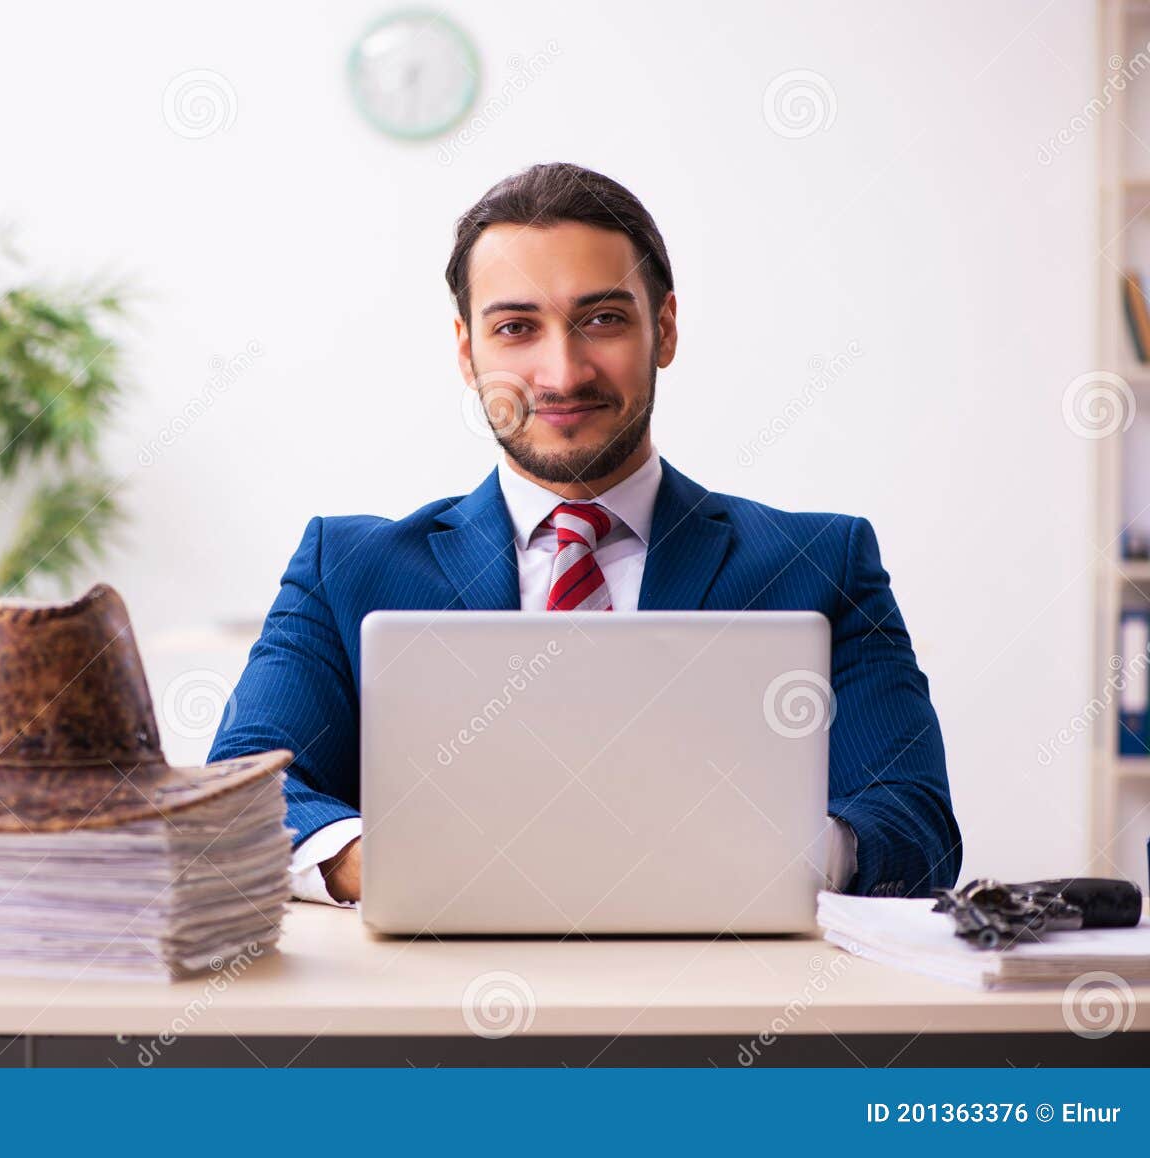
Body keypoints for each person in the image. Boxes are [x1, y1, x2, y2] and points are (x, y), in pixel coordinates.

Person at [207, 161, 962, 907]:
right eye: (516, 329)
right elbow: (237, 796)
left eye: (602, 320)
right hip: (437, 979)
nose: (563, 375)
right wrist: (395, 866)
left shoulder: (821, 565)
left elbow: (914, 827)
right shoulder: (345, 569)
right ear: (468, 353)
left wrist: (751, 860)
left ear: (664, 329)